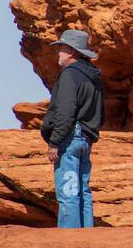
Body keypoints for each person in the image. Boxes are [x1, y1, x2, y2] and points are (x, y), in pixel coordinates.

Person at [39, 29, 104, 229]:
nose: (58, 52)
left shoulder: (70, 75)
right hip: (86, 137)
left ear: (72, 52)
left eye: (62, 48)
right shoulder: (94, 77)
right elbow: (101, 112)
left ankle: (70, 243)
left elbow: (65, 111)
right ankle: (86, 237)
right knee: (83, 191)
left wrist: (55, 141)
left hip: (70, 138)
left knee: (68, 192)